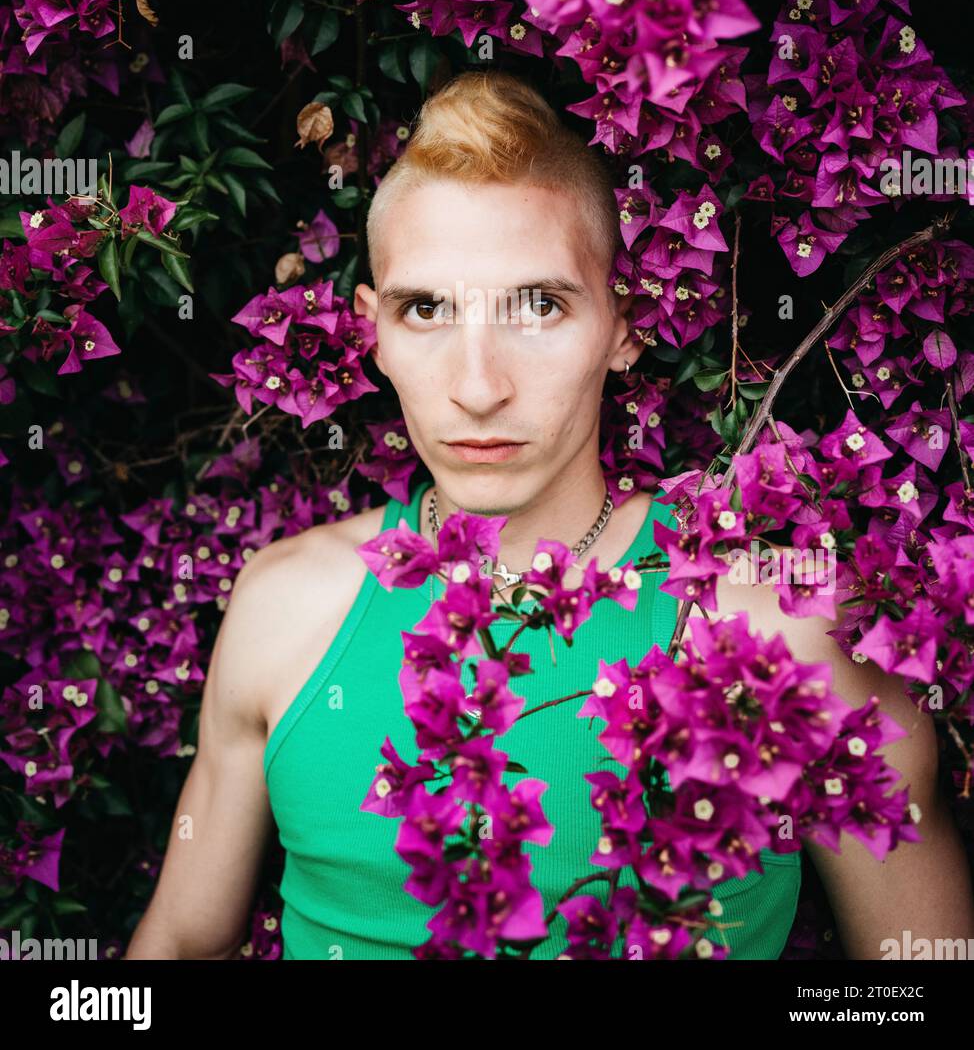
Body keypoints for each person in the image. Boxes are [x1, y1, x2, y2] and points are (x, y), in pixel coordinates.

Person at [125, 70, 974, 961]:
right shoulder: (282, 608)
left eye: (540, 306)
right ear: (373, 333)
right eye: (426, 310)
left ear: (622, 325)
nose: (480, 387)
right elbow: (182, 943)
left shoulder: (785, 630)